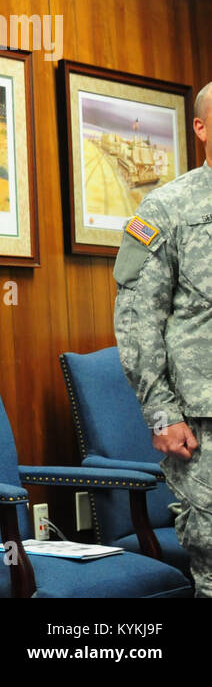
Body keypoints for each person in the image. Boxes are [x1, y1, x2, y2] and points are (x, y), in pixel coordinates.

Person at [114, 79, 212, 598]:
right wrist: (161, 412)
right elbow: (136, 319)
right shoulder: (165, 210)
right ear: (200, 128)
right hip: (202, 420)